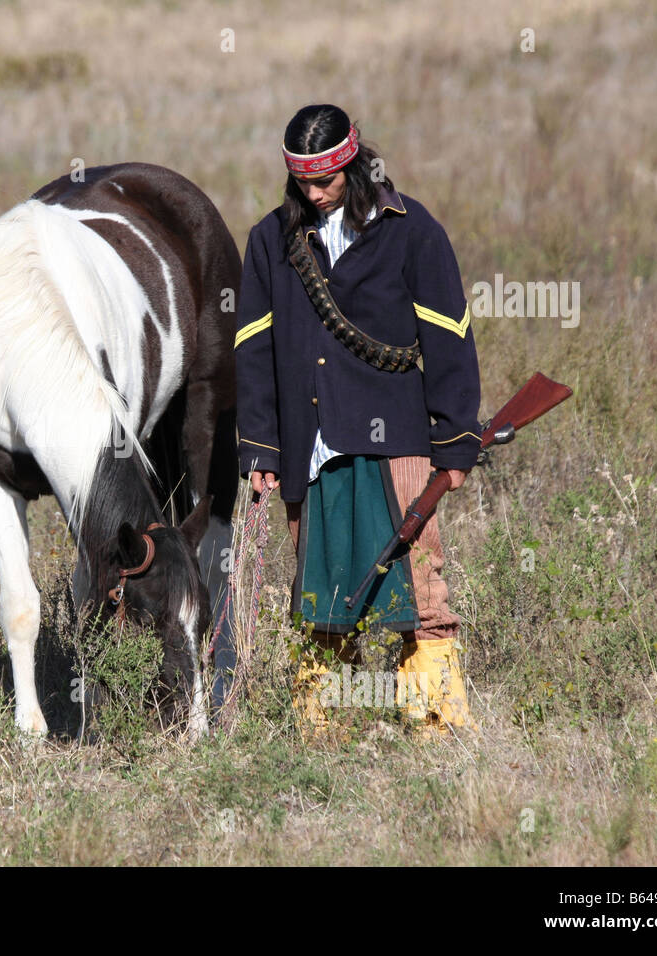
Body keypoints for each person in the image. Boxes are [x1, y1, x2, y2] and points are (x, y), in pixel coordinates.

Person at [234, 104, 480, 731]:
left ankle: (436, 722)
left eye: (326, 181)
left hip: (396, 438)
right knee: (319, 594)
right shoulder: (271, 240)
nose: (314, 195)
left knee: (421, 591)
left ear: (352, 163)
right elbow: (254, 347)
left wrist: (454, 445)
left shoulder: (411, 228)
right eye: (303, 183)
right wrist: (260, 448)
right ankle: (324, 729)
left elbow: (449, 336)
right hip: (308, 443)